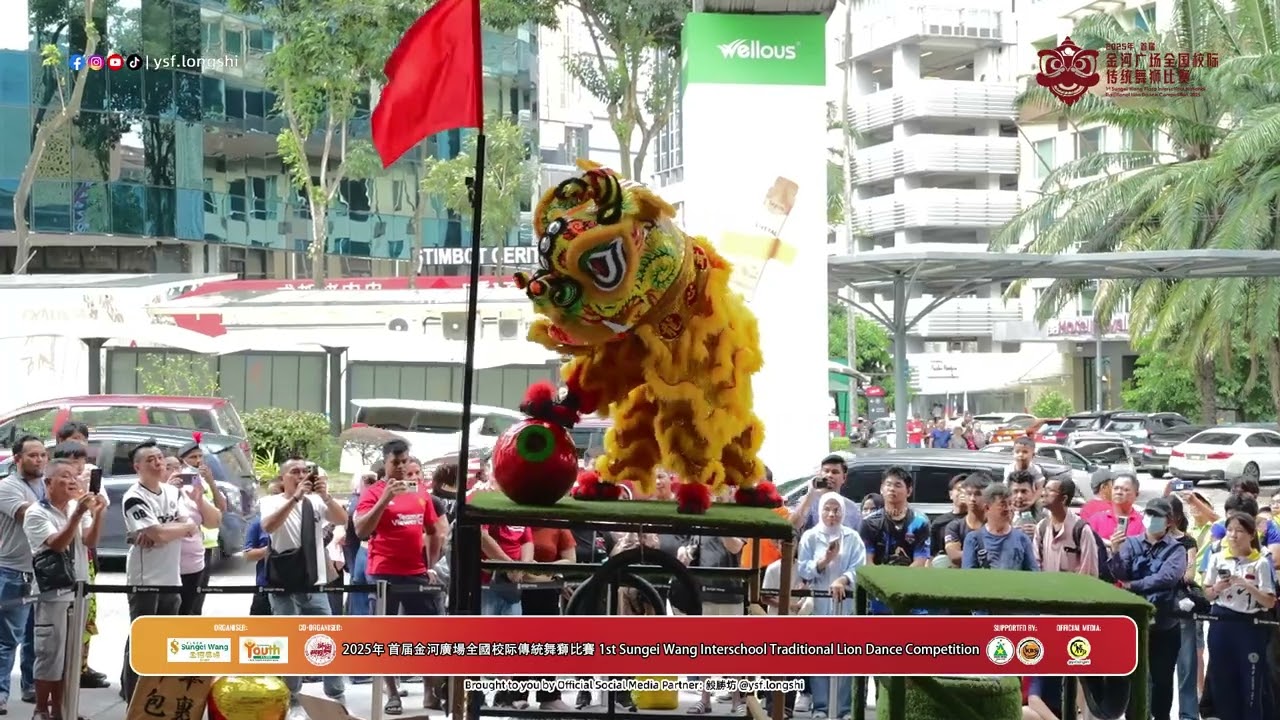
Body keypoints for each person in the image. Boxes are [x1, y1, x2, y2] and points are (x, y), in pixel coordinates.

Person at [354, 440, 442, 715]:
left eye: (405, 461)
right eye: (396, 462)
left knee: (427, 636)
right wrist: (384, 499)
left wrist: (431, 563)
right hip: (384, 571)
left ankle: (431, 691)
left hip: (416, 572)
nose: (402, 467)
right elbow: (360, 531)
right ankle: (392, 693)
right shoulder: (373, 492)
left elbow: (434, 530)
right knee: (384, 636)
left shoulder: (420, 492)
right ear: (385, 463)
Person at [258, 458, 348, 706]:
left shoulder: (317, 502)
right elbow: (268, 526)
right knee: (289, 643)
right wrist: (295, 498)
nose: (301, 475)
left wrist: (326, 496)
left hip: (315, 583)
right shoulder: (270, 501)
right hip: (284, 584)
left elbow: (342, 520)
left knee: (326, 641)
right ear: (282, 478)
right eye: (294, 472)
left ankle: (336, 695)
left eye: (305, 471)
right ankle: (290, 696)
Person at [22, 458, 105, 720]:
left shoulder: (74, 507)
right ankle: (41, 709)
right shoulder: (36, 512)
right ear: (48, 483)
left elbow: (89, 541)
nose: (72, 481)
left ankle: (62, 709)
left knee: (70, 657)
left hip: (79, 590)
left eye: (73, 476)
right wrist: (78, 514)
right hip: (53, 594)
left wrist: (99, 512)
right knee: (50, 654)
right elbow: (57, 545)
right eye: (64, 477)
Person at [119, 440, 198, 703]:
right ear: (137, 466)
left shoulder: (172, 493)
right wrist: (170, 530)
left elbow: (191, 526)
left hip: (172, 577)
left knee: (166, 642)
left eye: (160, 457)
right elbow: (157, 534)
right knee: (142, 643)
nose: (158, 462)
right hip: (145, 579)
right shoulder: (134, 497)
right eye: (151, 459)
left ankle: (160, 696)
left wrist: (172, 530)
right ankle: (134, 700)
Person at [1106, 498, 1185, 720]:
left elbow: (1167, 578)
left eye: (1157, 516)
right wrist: (1115, 551)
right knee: (1133, 677)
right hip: (1134, 625)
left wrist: (1134, 585)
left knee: (1161, 679)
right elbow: (1119, 574)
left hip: (1164, 625)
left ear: (1169, 521)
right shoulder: (1131, 543)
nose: (1152, 520)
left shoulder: (1176, 549)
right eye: (1149, 514)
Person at [52, 421, 110, 690]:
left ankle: (79, 669)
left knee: (85, 618)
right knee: (53, 636)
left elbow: (90, 535)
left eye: (83, 449)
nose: (77, 465)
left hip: (84, 559)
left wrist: (96, 508)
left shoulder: (90, 480)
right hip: (55, 569)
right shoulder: (52, 487)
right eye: (72, 451)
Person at [797, 493, 865, 720]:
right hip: (819, 606)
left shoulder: (853, 537)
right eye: (827, 509)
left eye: (836, 509)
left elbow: (859, 567)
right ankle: (821, 707)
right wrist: (824, 561)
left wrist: (843, 579)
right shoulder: (810, 536)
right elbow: (803, 569)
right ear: (820, 511)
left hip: (845, 606)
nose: (832, 514)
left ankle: (844, 709)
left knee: (845, 658)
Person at [1202, 512, 1276, 720]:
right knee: (1222, 679)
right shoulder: (1217, 558)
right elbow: (1207, 594)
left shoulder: (1260, 562)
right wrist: (1217, 587)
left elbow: (1269, 601)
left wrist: (1247, 586)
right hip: (1222, 622)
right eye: (1230, 530)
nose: (1233, 535)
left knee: (1250, 681)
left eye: (1240, 531)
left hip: (1249, 626)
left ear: (1252, 535)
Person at [0, 435, 44, 710]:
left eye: (42, 455)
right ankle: (1, 694)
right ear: (18, 459)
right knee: (7, 640)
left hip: (42, 573)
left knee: (35, 639)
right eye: (33, 455)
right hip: (13, 572)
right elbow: (29, 516)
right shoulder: (7, 487)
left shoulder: (46, 486)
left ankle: (30, 687)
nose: (39, 460)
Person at [175, 436, 228, 616]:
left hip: (207, 546)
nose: (197, 461)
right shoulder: (179, 482)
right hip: (187, 547)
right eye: (192, 457)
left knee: (198, 598)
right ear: (182, 460)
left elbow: (222, 507)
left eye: (200, 457)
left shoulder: (203, 480)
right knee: (185, 601)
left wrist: (211, 481)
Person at [962, 484, 1039, 571]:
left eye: (1010, 504)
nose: (1008, 509)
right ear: (987, 508)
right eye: (1003, 504)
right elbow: (968, 575)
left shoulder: (1022, 539)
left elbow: (1033, 573)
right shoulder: (973, 539)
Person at [1034, 476, 1098, 577]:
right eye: (1044, 489)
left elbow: (1089, 570)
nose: (1043, 494)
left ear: (1063, 499)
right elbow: (1036, 564)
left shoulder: (1081, 530)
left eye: (1049, 490)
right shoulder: (1042, 527)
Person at [790, 455, 862, 534]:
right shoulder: (808, 501)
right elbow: (792, 527)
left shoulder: (852, 508)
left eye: (835, 472)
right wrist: (810, 494)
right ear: (820, 474)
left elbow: (860, 539)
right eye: (826, 471)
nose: (829, 475)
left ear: (844, 478)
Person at [242, 481, 282, 616]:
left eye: (280, 494)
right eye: (273, 495)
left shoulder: (300, 519)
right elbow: (248, 555)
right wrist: (270, 550)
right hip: (265, 584)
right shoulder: (257, 523)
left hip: (294, 586)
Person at [943, 472, 993, 568]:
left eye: (978, 494)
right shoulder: (954, 526)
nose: (972, 499)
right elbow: (954, 556)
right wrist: (988, 553)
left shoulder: (995, 525)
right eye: (969, 494)